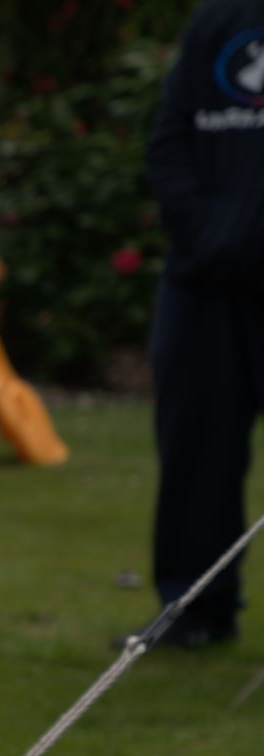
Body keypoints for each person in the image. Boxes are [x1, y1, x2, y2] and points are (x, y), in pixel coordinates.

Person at [132, 0, 264, 648]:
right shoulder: (217, 21)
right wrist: (208, 231)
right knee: (196, 449)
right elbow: (169, 142)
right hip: (201, 284)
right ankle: (193, 610)